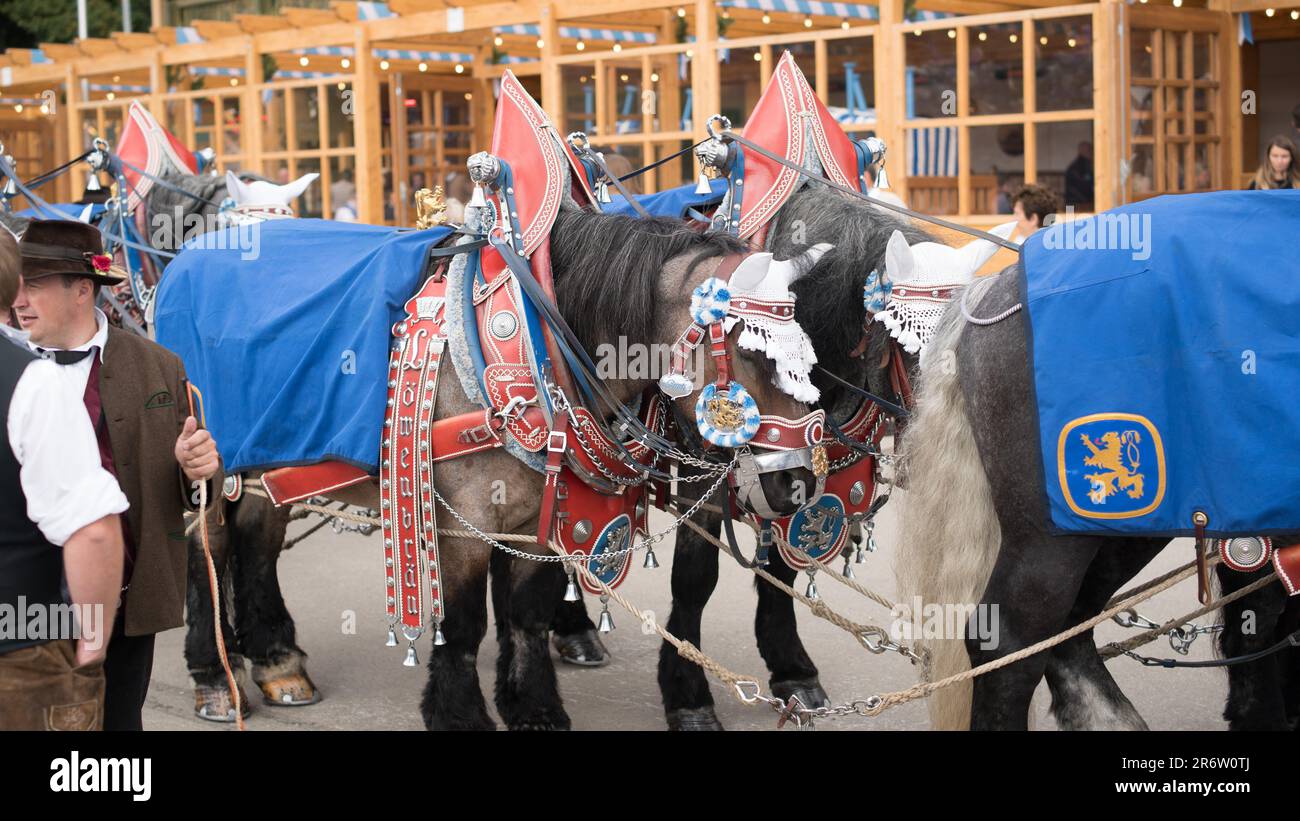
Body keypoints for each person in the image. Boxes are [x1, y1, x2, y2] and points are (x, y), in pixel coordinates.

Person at [11, 220, 222, 731]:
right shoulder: (8, 367)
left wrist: (199, 471)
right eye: (15, 283)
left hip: (125, 600)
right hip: (23, 606)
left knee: (120, 723)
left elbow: (194, 490)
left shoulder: (158, 366)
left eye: (34, 283)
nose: (18, 299)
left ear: (82, 289)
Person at [0, 226, 129, 732]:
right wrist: (93, 644)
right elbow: (94, 530)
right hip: (22, 656)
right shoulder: (32, 384)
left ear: (83, 289)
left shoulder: (153, 366)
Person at [1064, 141, 1094, 209]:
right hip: (1078, 202)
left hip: (1072, 202)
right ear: (1081, 151)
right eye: (1089, 150)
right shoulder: (1078, 167)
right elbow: (1081, 185)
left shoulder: (1083, 165)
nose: (1091, 152)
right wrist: (1089, 200)